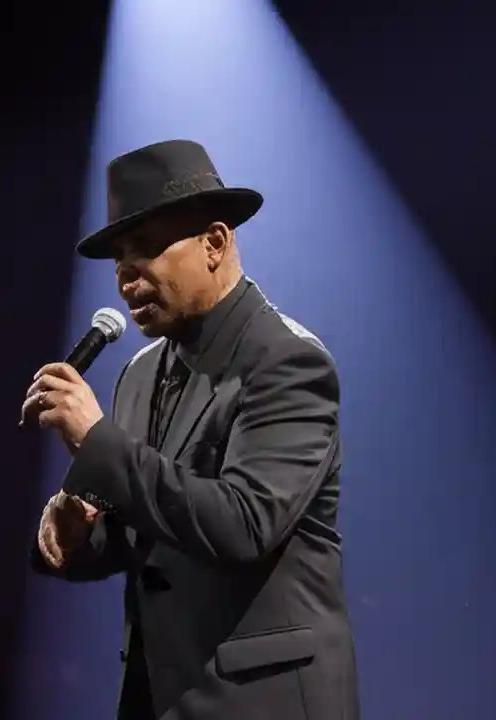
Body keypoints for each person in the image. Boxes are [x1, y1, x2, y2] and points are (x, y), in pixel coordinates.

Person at [21, 139, 359, 719]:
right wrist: (82, 539)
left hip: (262, 702)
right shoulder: (139, 373)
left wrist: (96, 440)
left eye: (147, 246)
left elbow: (243, 525)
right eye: (119, 256)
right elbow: (147, 529)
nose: (127, 272)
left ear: (214, 243)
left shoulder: (286, 361)